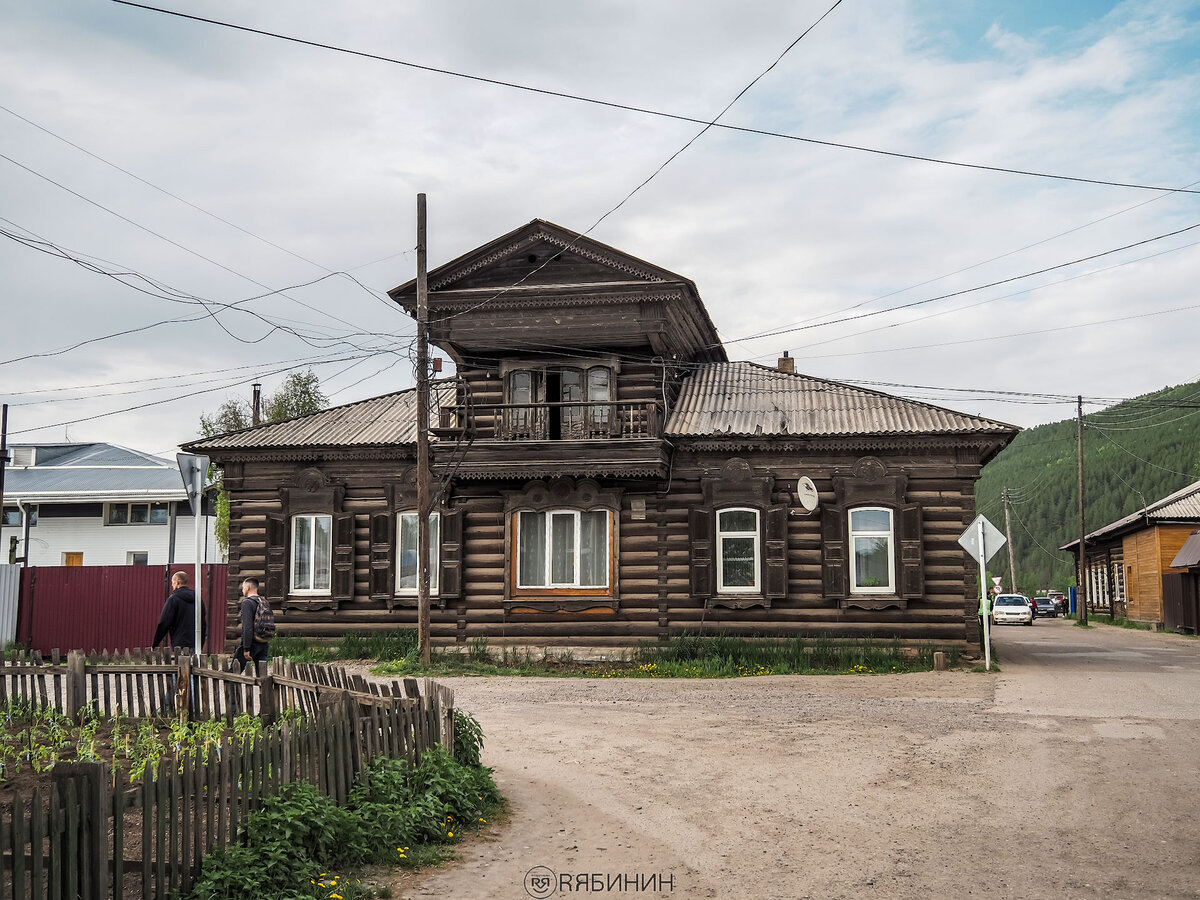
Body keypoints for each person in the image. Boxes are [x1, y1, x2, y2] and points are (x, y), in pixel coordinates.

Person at [152, 571, 207, 653]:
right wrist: (201, 642)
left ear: (177, 582)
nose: (172, 585)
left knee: (181, 665)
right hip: (195, 642)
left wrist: (155, 644)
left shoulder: (173, 599)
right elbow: (202, 622)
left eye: (172, 582)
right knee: (195, 664)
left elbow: (164, 622)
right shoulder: (198, 599)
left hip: (179, 643)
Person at [235, 576, 271, 673]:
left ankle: (231, 689)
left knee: (234, 672)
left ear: (247, 588)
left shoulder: (247, 603)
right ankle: (265, 689)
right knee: (262, 674)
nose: (242, 590)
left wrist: (246, 648)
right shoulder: (264, 602)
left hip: (251, 643)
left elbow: (247, 627)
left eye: (243, 588)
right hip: (263, 642)